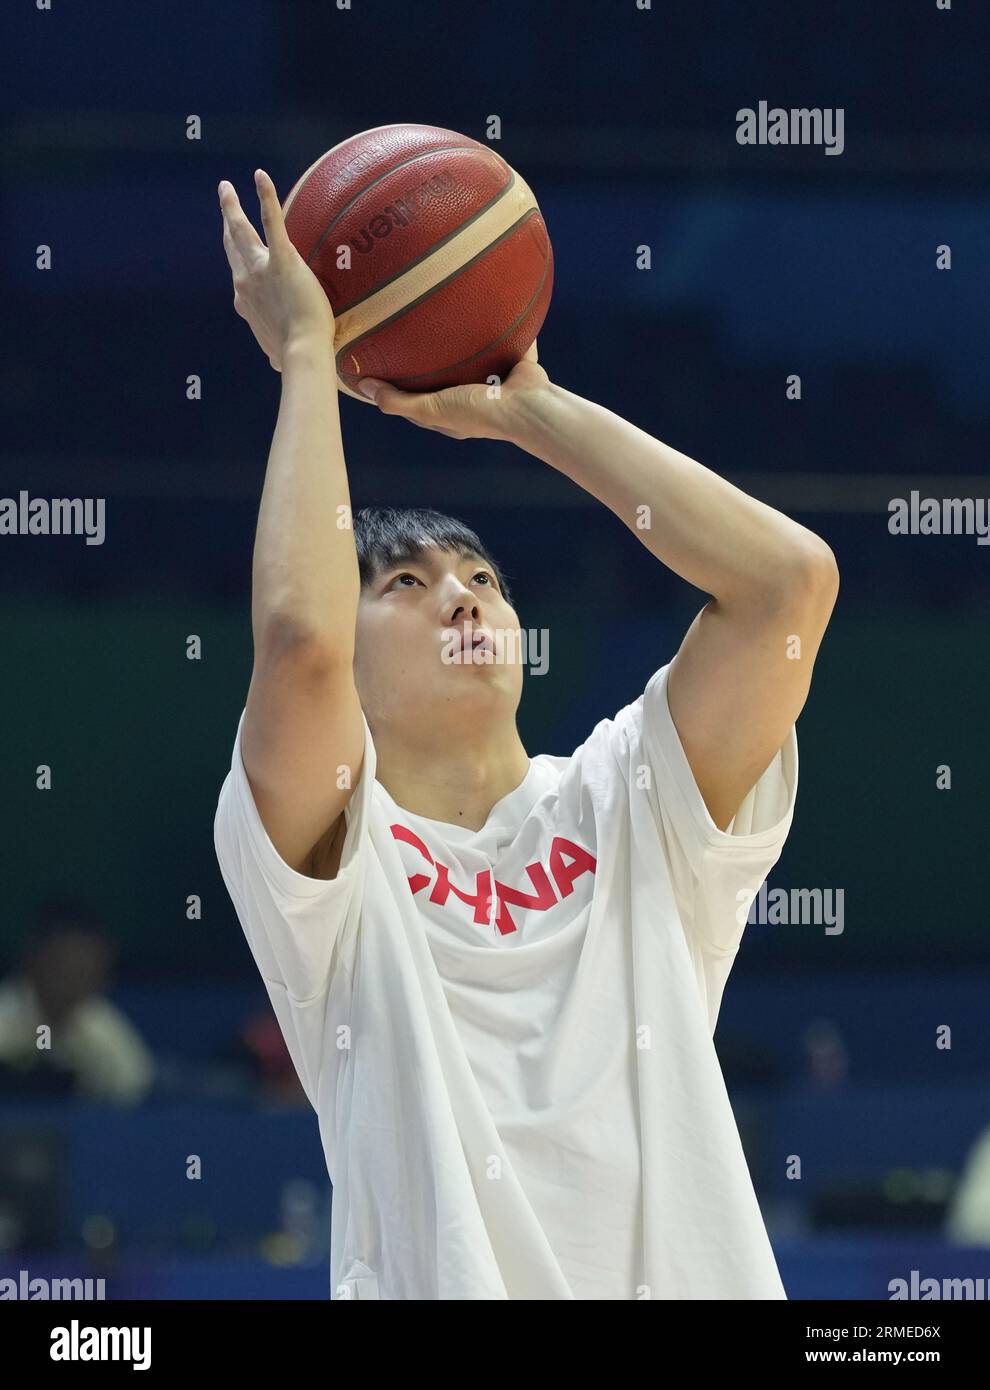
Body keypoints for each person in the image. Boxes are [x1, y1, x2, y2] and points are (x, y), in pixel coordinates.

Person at [213, 169, 839, 1300]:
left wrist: (527, 406)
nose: (464, 599)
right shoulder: (330, 860)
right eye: (407, 580)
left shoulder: (632, 795)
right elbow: (302, 640)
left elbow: (787, 584)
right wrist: (309, 357)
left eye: (484, 578)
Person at [0, 897, 155, 1105]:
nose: (73, 981)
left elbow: (135, 1090)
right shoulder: (4, 1014)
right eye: (63, 966)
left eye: (86, 971)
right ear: (32, 958)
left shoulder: (102, 1026)